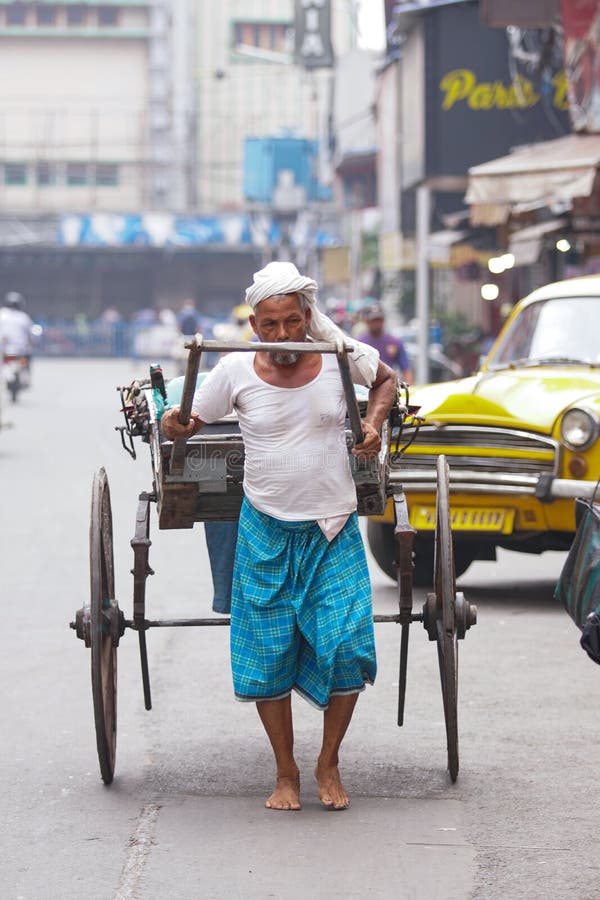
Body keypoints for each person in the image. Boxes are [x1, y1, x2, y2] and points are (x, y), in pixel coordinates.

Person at [161, 261, 396, 811]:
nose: (283, 334)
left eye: (292, 321)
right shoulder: (234, 370)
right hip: (264, 527)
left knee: (347, 648)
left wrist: (373, 424)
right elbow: (190, 421)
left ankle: (328, 762)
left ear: (307, 317)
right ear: (254, 325)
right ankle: (286, 772)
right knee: (267, 654)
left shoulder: (338, 358)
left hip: (332, 528)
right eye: (271, 325)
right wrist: (174, 422)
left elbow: (385, 381)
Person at [360, 303, 414, 383]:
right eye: (373, 320)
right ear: (366, 321)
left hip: (388, 385)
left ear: (383, 320)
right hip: (365, 386)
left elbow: (406, 369)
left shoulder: (394, 342)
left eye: (379, 320)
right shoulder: (360, 344)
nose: (377, 323)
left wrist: (410, 387)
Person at [0, 291, 35, 366]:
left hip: (4, 352)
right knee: (25, 366)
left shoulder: (2, 314)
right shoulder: (24, 317)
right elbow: (31, 335)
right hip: (21, 352)